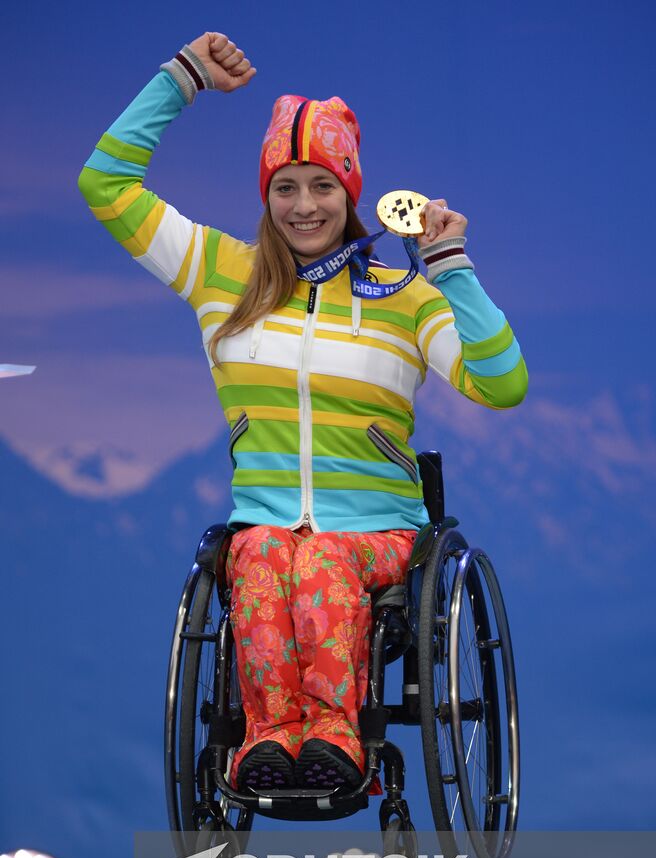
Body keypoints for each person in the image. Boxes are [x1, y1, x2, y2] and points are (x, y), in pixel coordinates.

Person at [78, 31, 527, 794]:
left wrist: (450, 270)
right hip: (266, 521)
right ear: (266, 197)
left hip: (378, 535)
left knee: (313, 555)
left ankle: (333, 739)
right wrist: (180, 81)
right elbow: (106, 184)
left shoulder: (402, 297)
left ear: (349, 191)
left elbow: (500, 383)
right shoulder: (219, 273)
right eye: (284, 187)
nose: (302, 205)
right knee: (258, 556)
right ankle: (269, 741)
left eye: (321, 184)